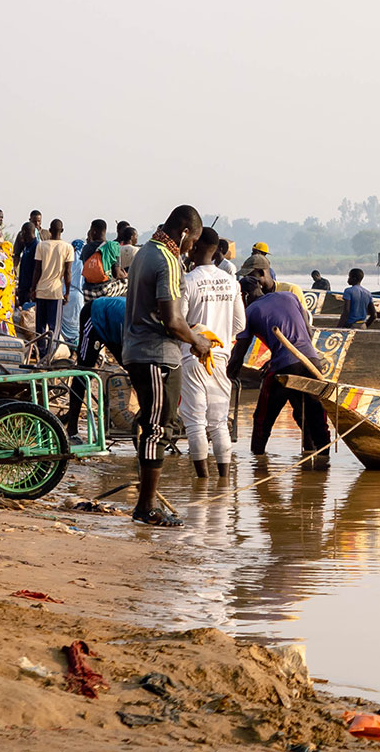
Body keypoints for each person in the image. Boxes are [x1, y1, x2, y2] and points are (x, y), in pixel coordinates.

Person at [123, 205, 211, 527]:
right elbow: (173, 321)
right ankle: (146, 507)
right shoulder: (168, 261)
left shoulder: (145, 251)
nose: (191, 248)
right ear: (185, 233)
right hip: (156, 355)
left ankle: (146, 503)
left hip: (137, 350)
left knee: (153, 423)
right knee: (158, 427)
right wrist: (197, 342)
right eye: (193, 241)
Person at [227, 276, 329, 459]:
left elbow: (239, 353)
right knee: (314, 413)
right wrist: (277, 358)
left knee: (263, 418)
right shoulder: (290, 296)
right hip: (312, 362)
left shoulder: (249, 311)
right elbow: (308, 330)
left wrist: (228, 374)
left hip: (285, 368)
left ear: (244, 295)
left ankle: (257, 459)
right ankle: (323, 457)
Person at [179, 228, 244, 478]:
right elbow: (240, 325)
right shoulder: (231, 281)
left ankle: (203, 481)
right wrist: (221, 338)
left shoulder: (188, 280)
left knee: (195, 421)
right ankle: (224, 482)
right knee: (218, 422)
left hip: (192, 355)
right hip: (220, 356)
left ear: (195, 247)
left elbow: (180, 321)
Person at [64, 295, 124, 442]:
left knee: (129, 366)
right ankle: (71, 429)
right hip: (95, 316)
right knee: (84, 371)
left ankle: (108, 424)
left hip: (114, 326)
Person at [32, 218, 73, 359]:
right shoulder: (68, 247)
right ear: (62, 230)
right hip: (56, 293)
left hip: (41, 291)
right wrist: (67, 292)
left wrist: (33, 289)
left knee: (40, 327)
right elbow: (67, 272)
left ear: (49, 230)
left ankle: (41, 354)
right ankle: (51, 354)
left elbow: (37, 270)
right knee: (55, 328)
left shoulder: (42, 246)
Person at [12, 220, 39, 314]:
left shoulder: (36, 247)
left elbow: (37, 269)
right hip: (23, 287)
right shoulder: (26, 247)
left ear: (25, 232)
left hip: (30, 289)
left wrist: (32, 288)